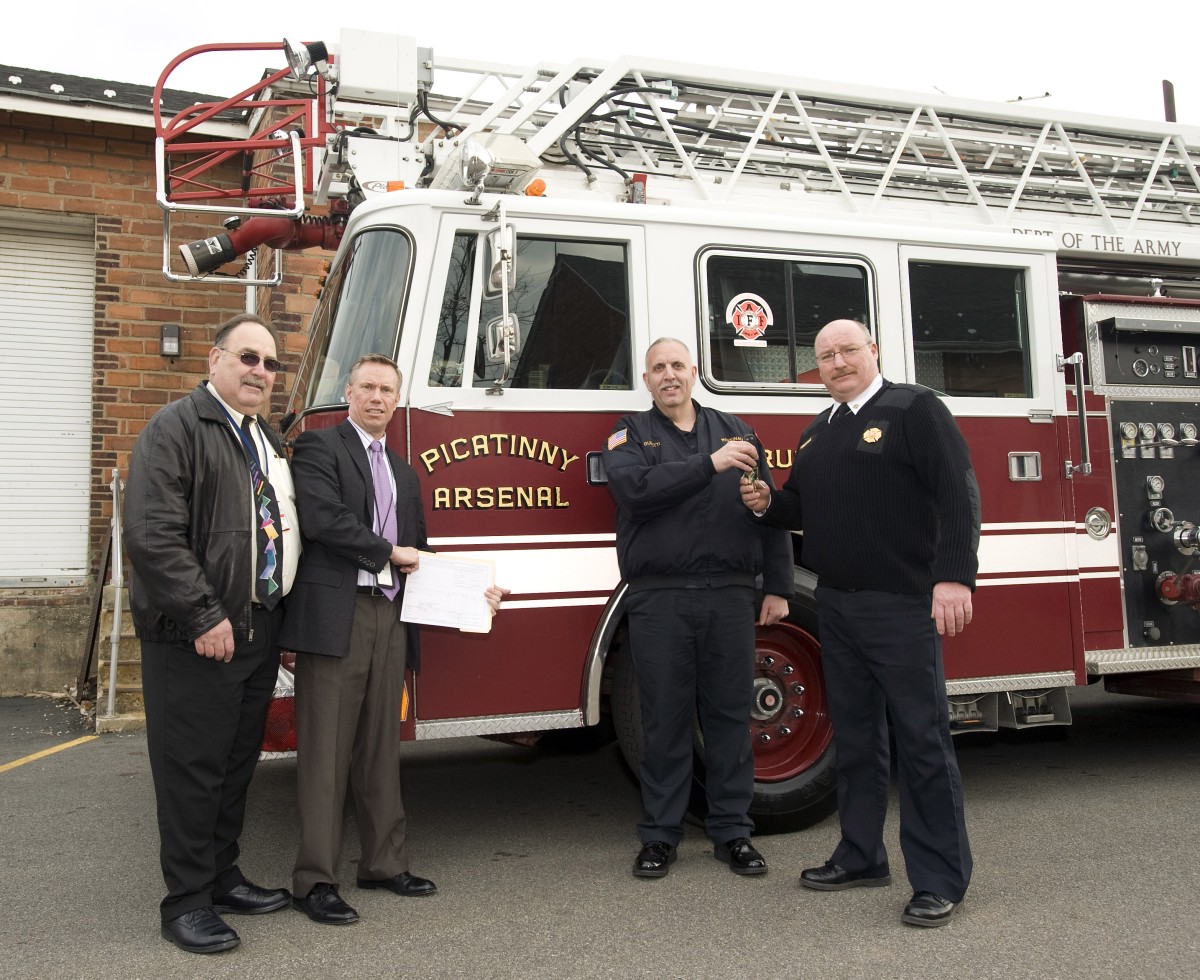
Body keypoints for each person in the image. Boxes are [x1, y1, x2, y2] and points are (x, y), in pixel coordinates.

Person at [741, 318, 979, 927]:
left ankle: (939, 879)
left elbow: (959, 493)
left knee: (922, 743)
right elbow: (802, 507)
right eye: (826, 356)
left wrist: (953, 577)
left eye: (849, 350)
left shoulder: (916, 409)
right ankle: (860, 854)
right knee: (855, 740)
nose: (838, 362)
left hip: (901, 604)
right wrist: (769, 504)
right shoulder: (820, 431)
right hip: (839, 607)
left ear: (873, 350)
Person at [281, 354, 507, 925]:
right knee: (326, 753)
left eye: (388, 390)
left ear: (397, 400)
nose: (378, 398)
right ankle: (315, 880)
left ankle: (383, 863)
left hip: (390, 617)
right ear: (349, 393)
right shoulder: (317, 448)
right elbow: (323, 520)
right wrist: (388, 552)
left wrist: (473, 592)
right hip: (337, 617)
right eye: (368, 388)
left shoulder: (404, 473)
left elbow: (420, 556)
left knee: (381, 747)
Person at [125, 313, 300, 954]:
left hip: (254, 630)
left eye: (271, 364)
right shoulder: (175, 429)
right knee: (191, 772)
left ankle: (223, 878)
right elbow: (151, 535)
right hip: (196, 635)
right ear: (213, 359)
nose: (260, 371)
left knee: (233, 767)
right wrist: (203, 614)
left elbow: (279, 527)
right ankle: (187, 902)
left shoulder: (265, 438)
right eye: (248, 357)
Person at [603, 337, 792, 879]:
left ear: (694, 373)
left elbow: (768, 506)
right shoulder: (629, 434)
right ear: (647, 380)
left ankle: (733, 833)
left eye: (678, 366)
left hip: (731, 596)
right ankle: (660, 836)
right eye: (658, 368)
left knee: (731, 718)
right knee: (664, 719)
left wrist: (777, 586)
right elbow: (635, 491)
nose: (669, 376)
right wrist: (708, 465)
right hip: (660, 597)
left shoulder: (737, 429)